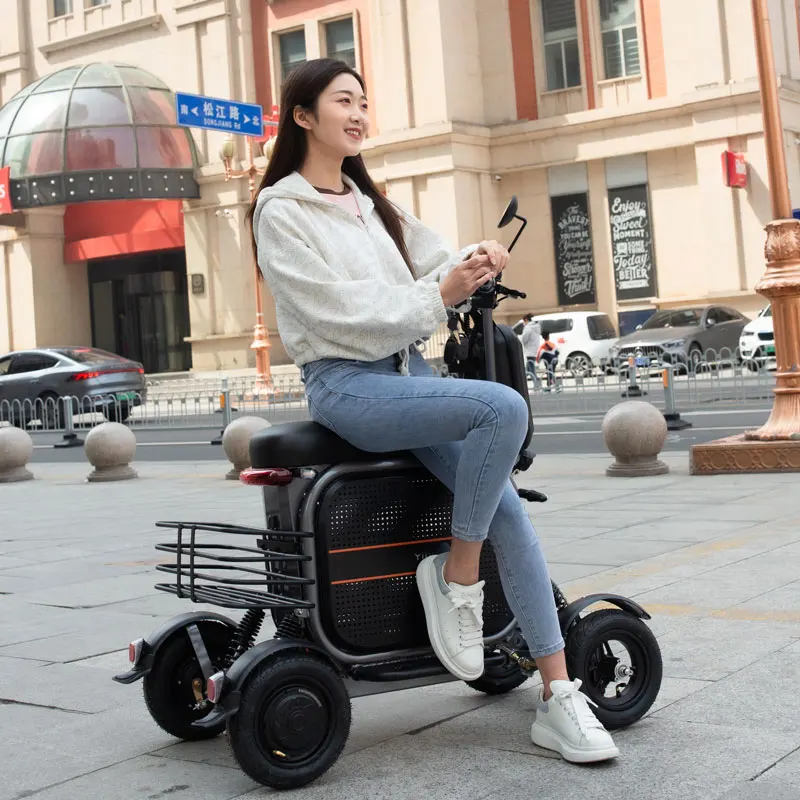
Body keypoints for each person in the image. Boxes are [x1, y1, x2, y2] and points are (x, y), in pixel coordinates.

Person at [248, 58, 618, 764]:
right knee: (500, 411)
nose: (358, 113)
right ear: (303, 116)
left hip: (408, 377)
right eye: (342, 101)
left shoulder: (367, 198)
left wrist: (474, 260)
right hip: (349, 387)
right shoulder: (282, 210)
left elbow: (432, 256)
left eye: (363, 101)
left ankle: (558, 696)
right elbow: (339, 314)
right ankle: (457, 577)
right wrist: (437, 295)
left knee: (509, 508)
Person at [519, 313, 542, 389]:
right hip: (534, 350)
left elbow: (524, 338)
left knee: (531, 370)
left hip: (529, 351)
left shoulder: (528, 328)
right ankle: (525, 383)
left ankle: (537, 383)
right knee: (529, 369)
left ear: (526, 320)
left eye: (524, 321)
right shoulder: (536, 327)